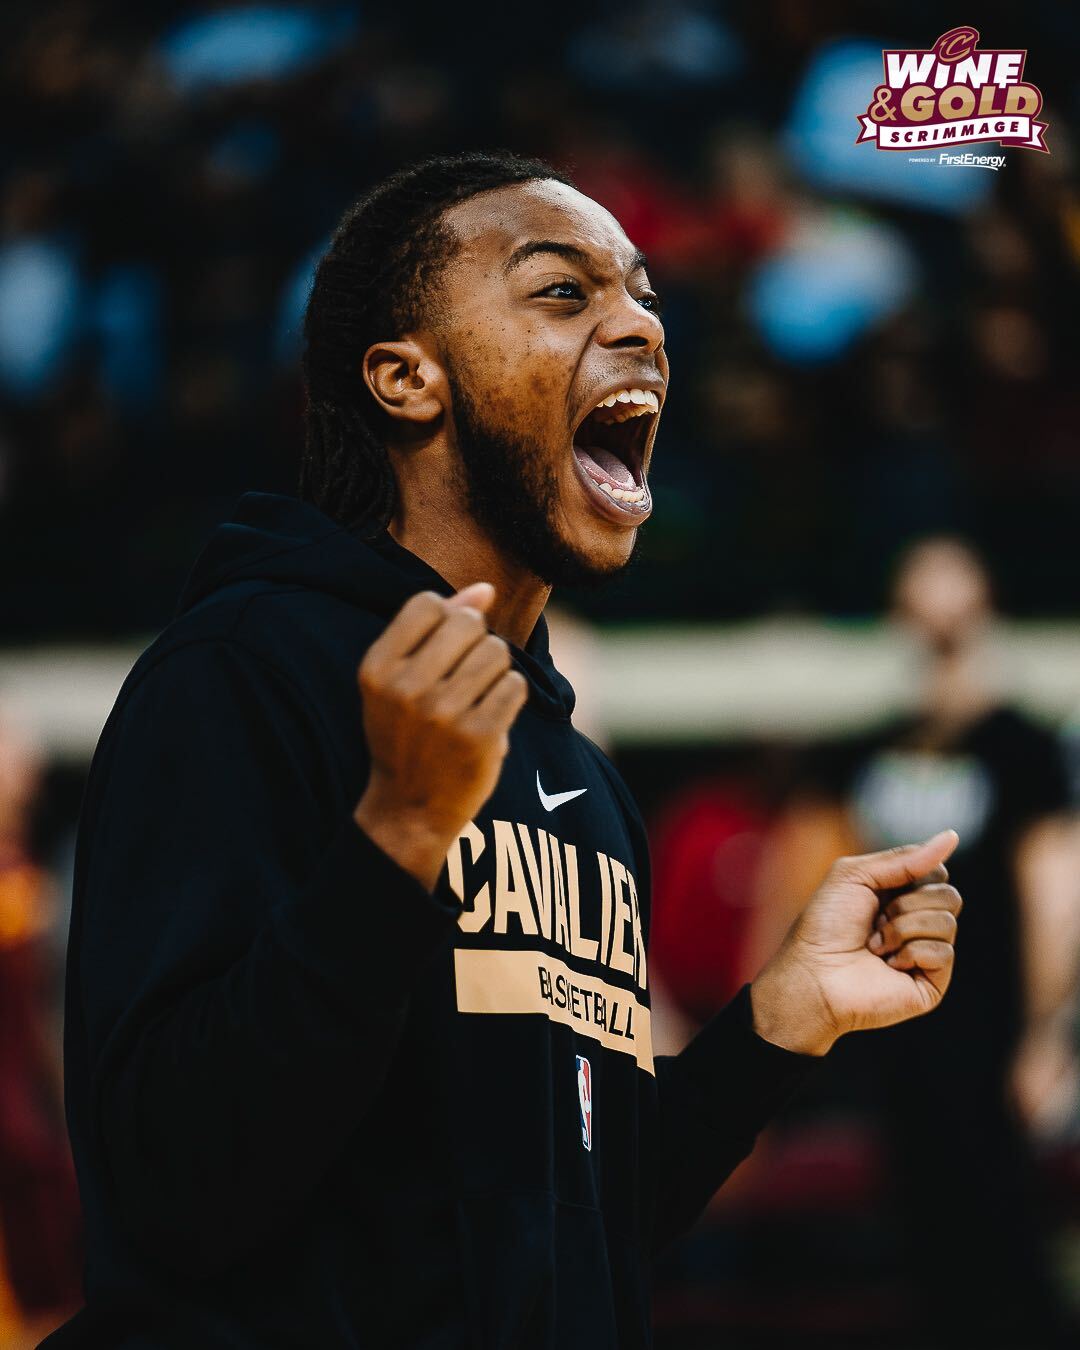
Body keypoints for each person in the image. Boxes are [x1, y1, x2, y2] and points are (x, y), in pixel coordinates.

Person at [45, 153, 962, 1350]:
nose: (641, 325)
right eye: (564, 292)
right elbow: (168, 1185)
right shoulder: (242, 674)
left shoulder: (584, 782)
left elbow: (579, 1227)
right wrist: (396, 842)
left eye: (644, 295)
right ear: (406, 378)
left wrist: (777, 1024)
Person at [819, 536, 1078, 1347]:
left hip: (990, 1030)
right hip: (897, 1036)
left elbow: (1054, 895)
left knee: (1002, 1242)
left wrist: (1045, 1034)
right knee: (922, 1246)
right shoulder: (873, 749)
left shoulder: (1021, 745)